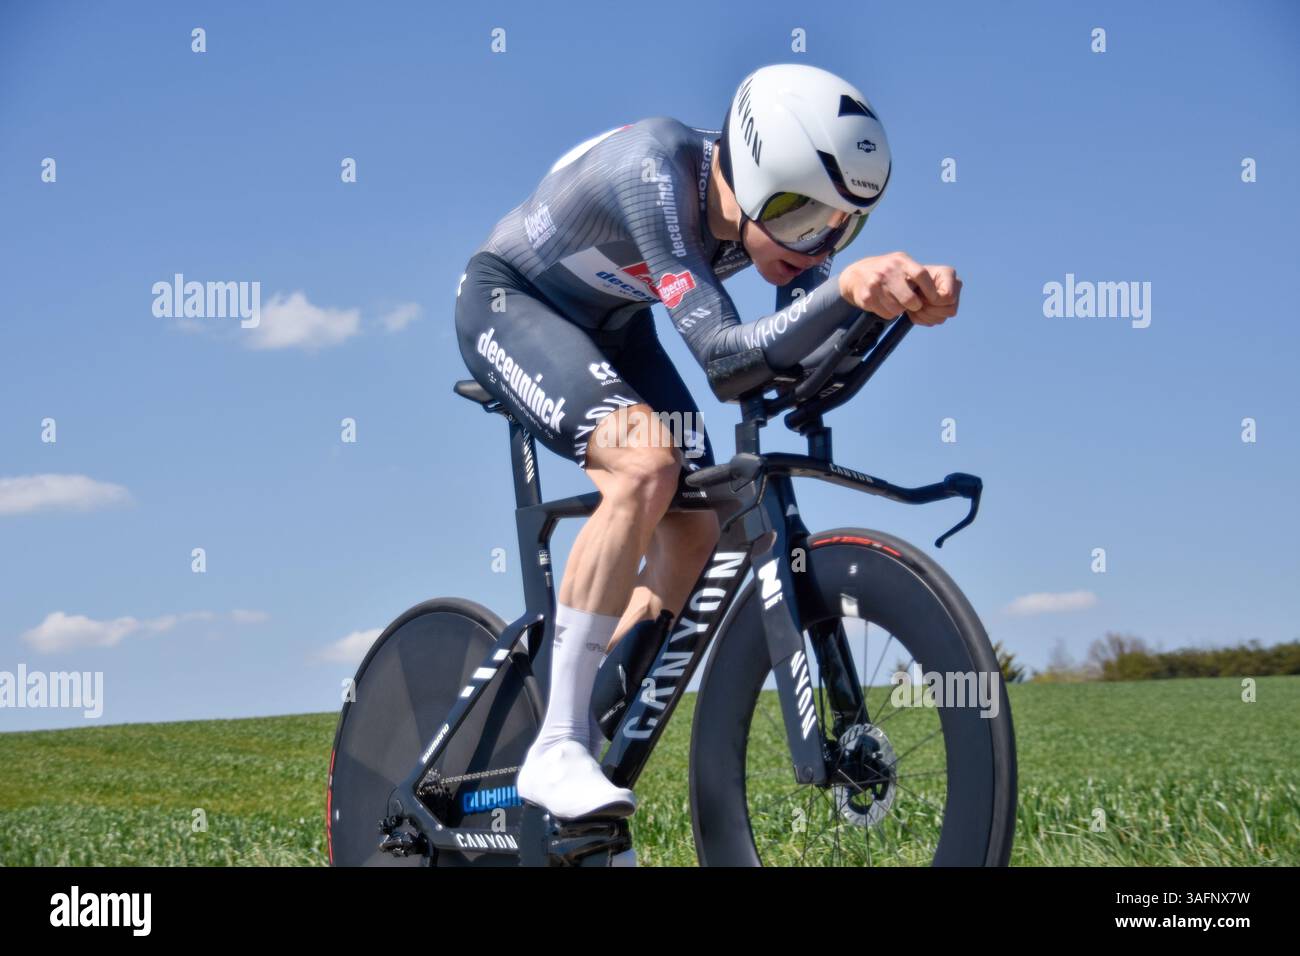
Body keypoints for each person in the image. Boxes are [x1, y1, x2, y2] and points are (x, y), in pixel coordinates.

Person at [453, 63, 962, 858]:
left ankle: (582, 752)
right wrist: (847, 287)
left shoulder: (771, 228)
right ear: (756, 180)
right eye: (804, 220)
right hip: (510, 302)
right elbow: (727, 362)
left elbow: (796, 357)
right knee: (644, 467)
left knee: (702, 529)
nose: (821, 245)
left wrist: (893, 306)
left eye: (844, 227)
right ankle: (555, 746)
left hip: (614, 324)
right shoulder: (656, 171)